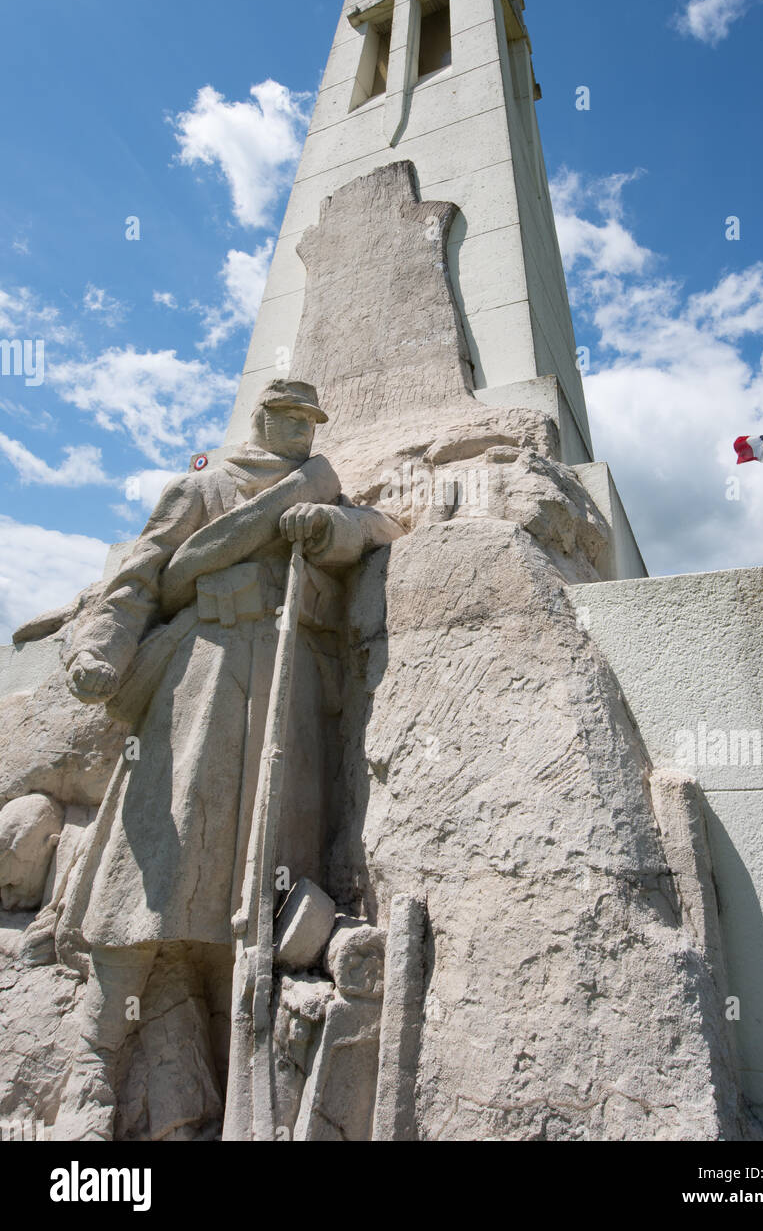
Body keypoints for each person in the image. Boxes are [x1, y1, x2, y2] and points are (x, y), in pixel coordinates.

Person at [52, 379, 403, 1141]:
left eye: (310, 423)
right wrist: (98, 653)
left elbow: (381, 529)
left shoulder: (323, 486)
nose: (301, 434)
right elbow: (138, 577)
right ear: (262, 418)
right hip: (202, 670)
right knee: (153, 866)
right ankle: (94, 1062)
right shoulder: (201, 486)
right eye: (289, 419)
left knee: (264, 871)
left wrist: (333, 529)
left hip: (290, 680)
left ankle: (233, 1063)